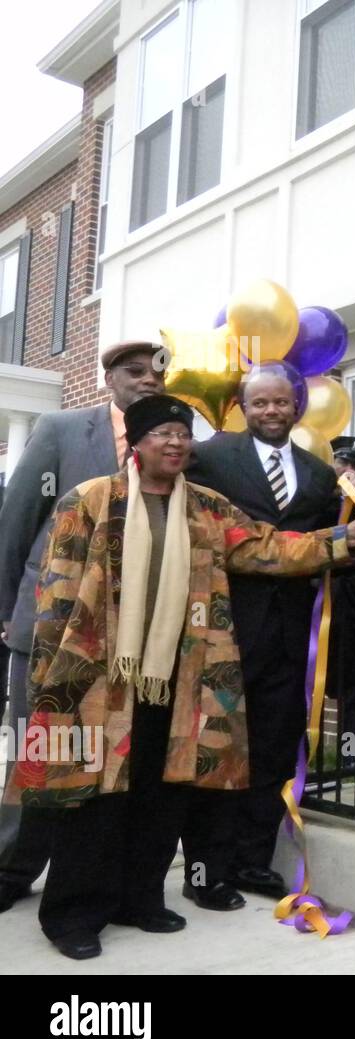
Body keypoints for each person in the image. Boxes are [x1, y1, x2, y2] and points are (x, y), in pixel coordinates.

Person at [2, 394, 355, 960]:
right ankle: (74, 915)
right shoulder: (91, 500)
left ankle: (140, 899)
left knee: (162, 791)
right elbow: (57, 587)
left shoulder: (207, 507)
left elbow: (263, 548)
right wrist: (56, 672)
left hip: (180, 675)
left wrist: (340, 541)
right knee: (92, 800)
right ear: (138, 443)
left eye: (183, 434)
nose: (175, 443)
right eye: (163, 434)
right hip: (100, 677)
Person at [0, 341, 164, 915]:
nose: (147, 381)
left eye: (156, 374)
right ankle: (12, 867)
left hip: (128, 640)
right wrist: (7, 612)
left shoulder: (168, 445)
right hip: (50, 626)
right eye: (134, 372)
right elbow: (15, 521)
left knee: (101, 755)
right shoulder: (61, 429)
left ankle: (88, 876)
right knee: (38, 747)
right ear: (109, 378)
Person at [181, 365, 346, 909]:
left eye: (281, 403)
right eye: (260, 404)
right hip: (223, 632)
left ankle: (251, 860)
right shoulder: (211, 458)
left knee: (274, 748)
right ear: (243, 409)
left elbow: (324, 547)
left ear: (296, 407)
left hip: (290, 636)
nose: (271, 412)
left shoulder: (319, 477)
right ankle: (206, 871)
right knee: (218, 750)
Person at [326, 436, 355, 768]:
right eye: (343, 462)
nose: (349, 470)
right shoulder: (318, 491)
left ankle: (350, 755)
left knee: (349, 684)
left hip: (349, 600)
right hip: (316, 596)